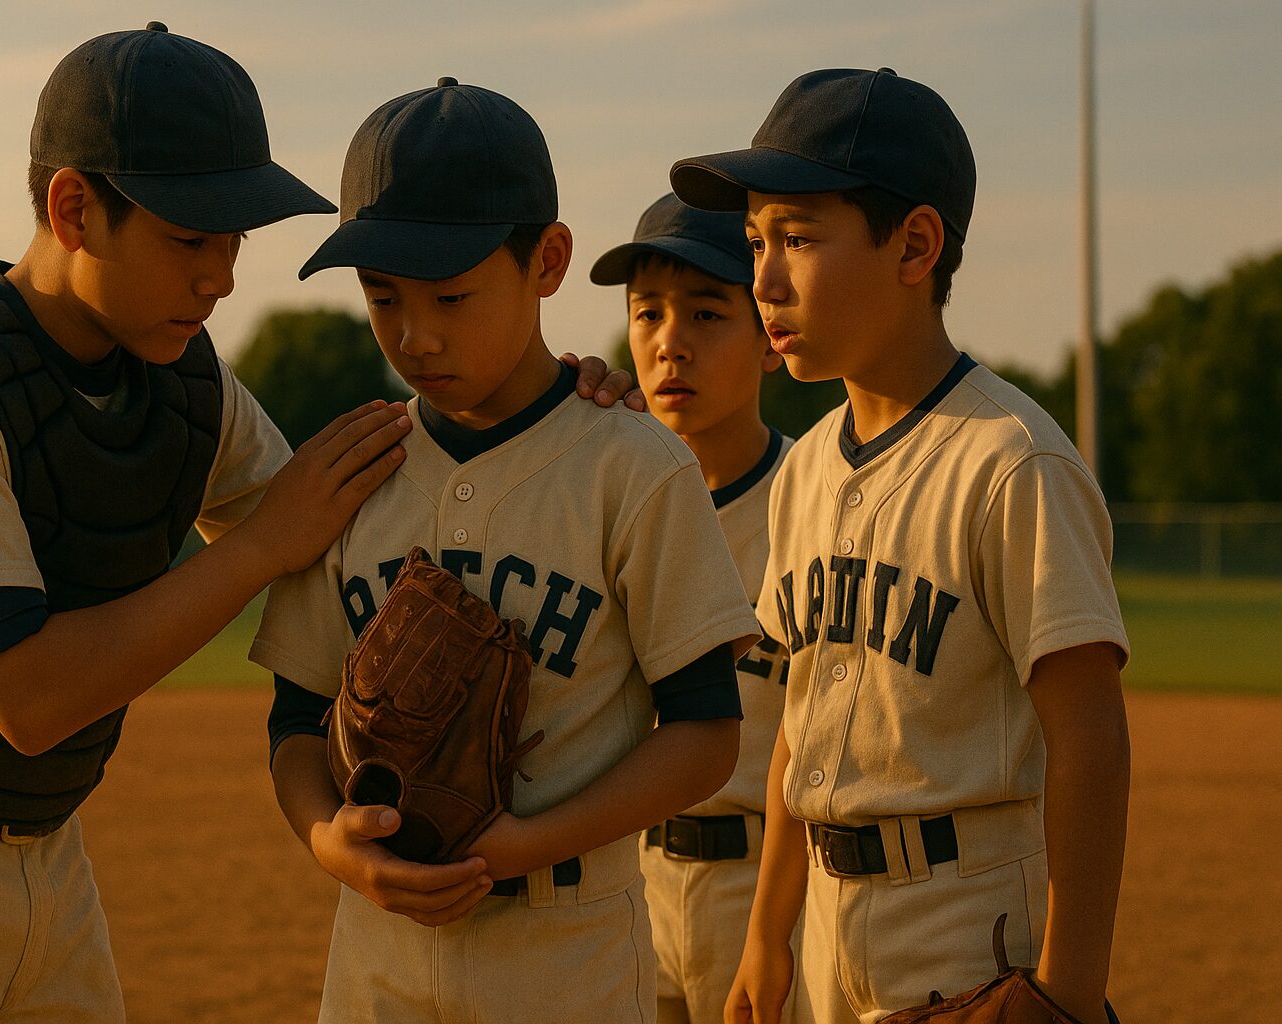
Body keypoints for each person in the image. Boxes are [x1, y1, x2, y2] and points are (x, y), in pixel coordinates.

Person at [0, 26, 634, 1024]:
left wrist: (555, 409)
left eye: (234, 241)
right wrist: (258, 547)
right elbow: (30, 700)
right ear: (73, 208)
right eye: (190, 238)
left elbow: (351, 521)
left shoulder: (185, 384)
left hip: (50, 855)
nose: (220, 277)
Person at [250, 78, 765, 1023]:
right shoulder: (351, 472)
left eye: (452, 294)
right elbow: (295, 719)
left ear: (549, 261)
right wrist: (330, 840)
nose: (415, 334)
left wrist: (528, 841)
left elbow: (704, 732)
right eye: (382, 296)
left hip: (566, 947)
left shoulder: (632, 466)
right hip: (375, 955)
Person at [669, 68, 1132, 1024]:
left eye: (798, 239)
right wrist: (767, 933)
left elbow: (1088, 731)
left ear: (916, 245)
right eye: (755, 242)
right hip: (826, 917)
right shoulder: (804, 469)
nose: (763, 281)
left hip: (966, 915)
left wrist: (1071, 992)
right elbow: (799, 723)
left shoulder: (1011, 462)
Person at [589, 193, 797, 1024]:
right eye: (648, 313)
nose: (670, 342)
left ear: (770, 337)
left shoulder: (813, 499)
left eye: (708, 313)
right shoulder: (604, 495)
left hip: (771, 886)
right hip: (632, 880)